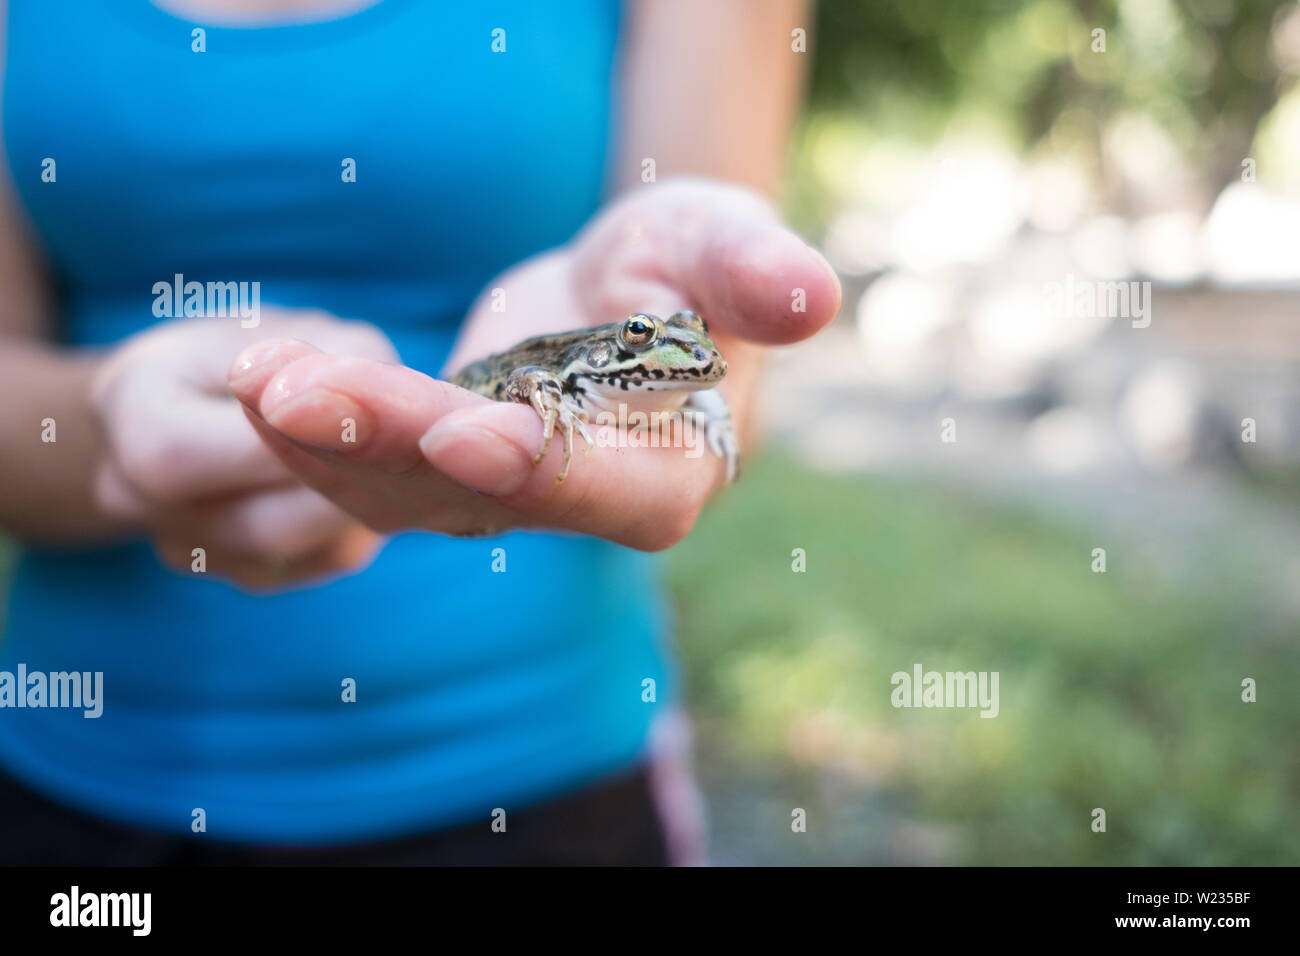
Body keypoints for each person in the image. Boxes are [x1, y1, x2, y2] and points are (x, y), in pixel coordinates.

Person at [0, 0, 839, 865]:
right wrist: (108, 428)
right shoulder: (558, 370)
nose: (664, 346)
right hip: (86, 775)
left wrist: (722, 376)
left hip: (547, 774)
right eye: (643, 336)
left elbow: (724, 355)